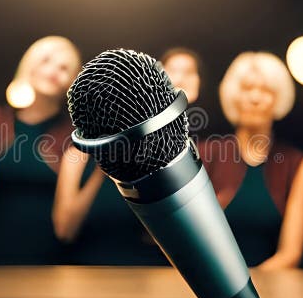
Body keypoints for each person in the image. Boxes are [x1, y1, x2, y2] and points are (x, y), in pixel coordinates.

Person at [50, 48, 203, 265]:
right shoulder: (78, 155)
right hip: (87, 269)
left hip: (152, 273)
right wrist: (105, 167)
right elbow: (65, 230)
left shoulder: (188, 152)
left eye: (189, 71)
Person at [203, 52, 303, 268]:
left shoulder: (298, 164)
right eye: (246, 88)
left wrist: (247, 292)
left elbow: (290, 254)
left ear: (279, 99)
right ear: (233, 96)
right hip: (205, 287)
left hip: (267, 290)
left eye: (266, 90)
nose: (255, 98)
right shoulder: (205, 155)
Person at [0, 36, 80, 265]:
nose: (54, 71)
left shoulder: (74, 135)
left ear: (71, 81)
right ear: (29, 65)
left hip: (51, 255)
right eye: (46, 61)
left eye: (64, 68)